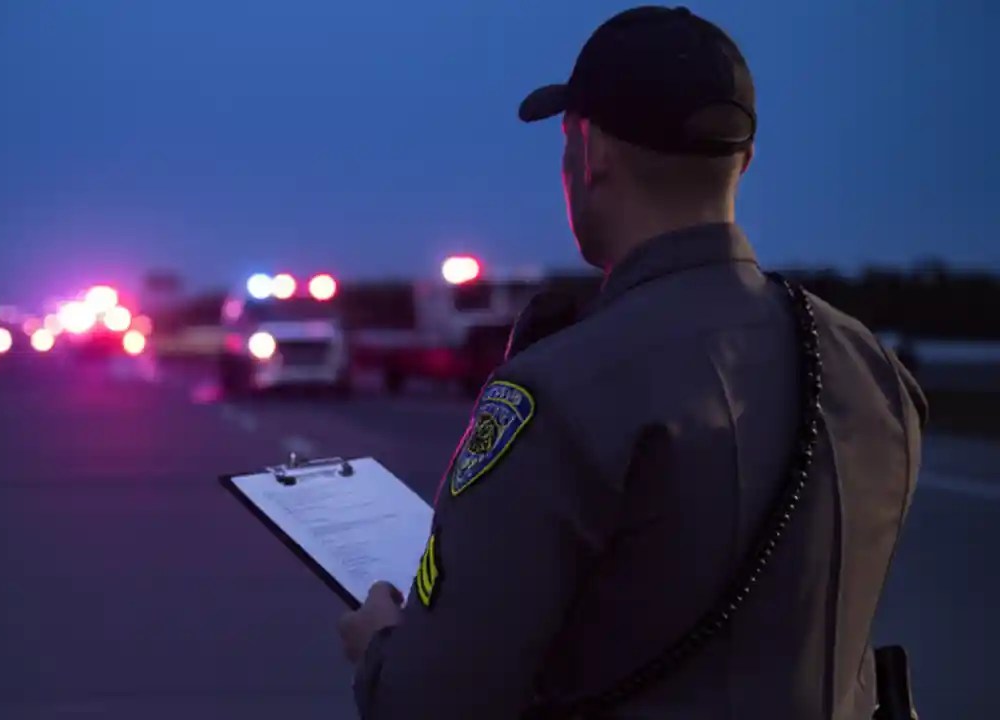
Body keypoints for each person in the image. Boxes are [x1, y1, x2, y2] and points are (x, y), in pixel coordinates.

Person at [336, 6, 927, 719]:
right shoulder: (871, 368)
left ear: (590, 153)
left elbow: (431, 703)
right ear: (743, 159)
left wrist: (380, 648)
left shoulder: (554, 391)